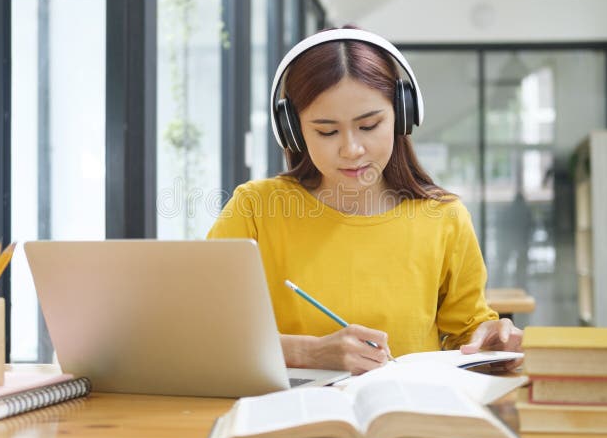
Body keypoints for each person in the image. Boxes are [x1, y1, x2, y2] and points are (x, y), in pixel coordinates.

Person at [208, 27, 522, 374]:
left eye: (369, 125)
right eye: (326, 131)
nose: (352, 150)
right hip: (290, 416)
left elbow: (467, 335)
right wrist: (307, 352)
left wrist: (490, 345)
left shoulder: (444, 218)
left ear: (402, 114)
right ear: (293, 131)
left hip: (407, 416)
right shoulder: (255, 209)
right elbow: (202, 327)